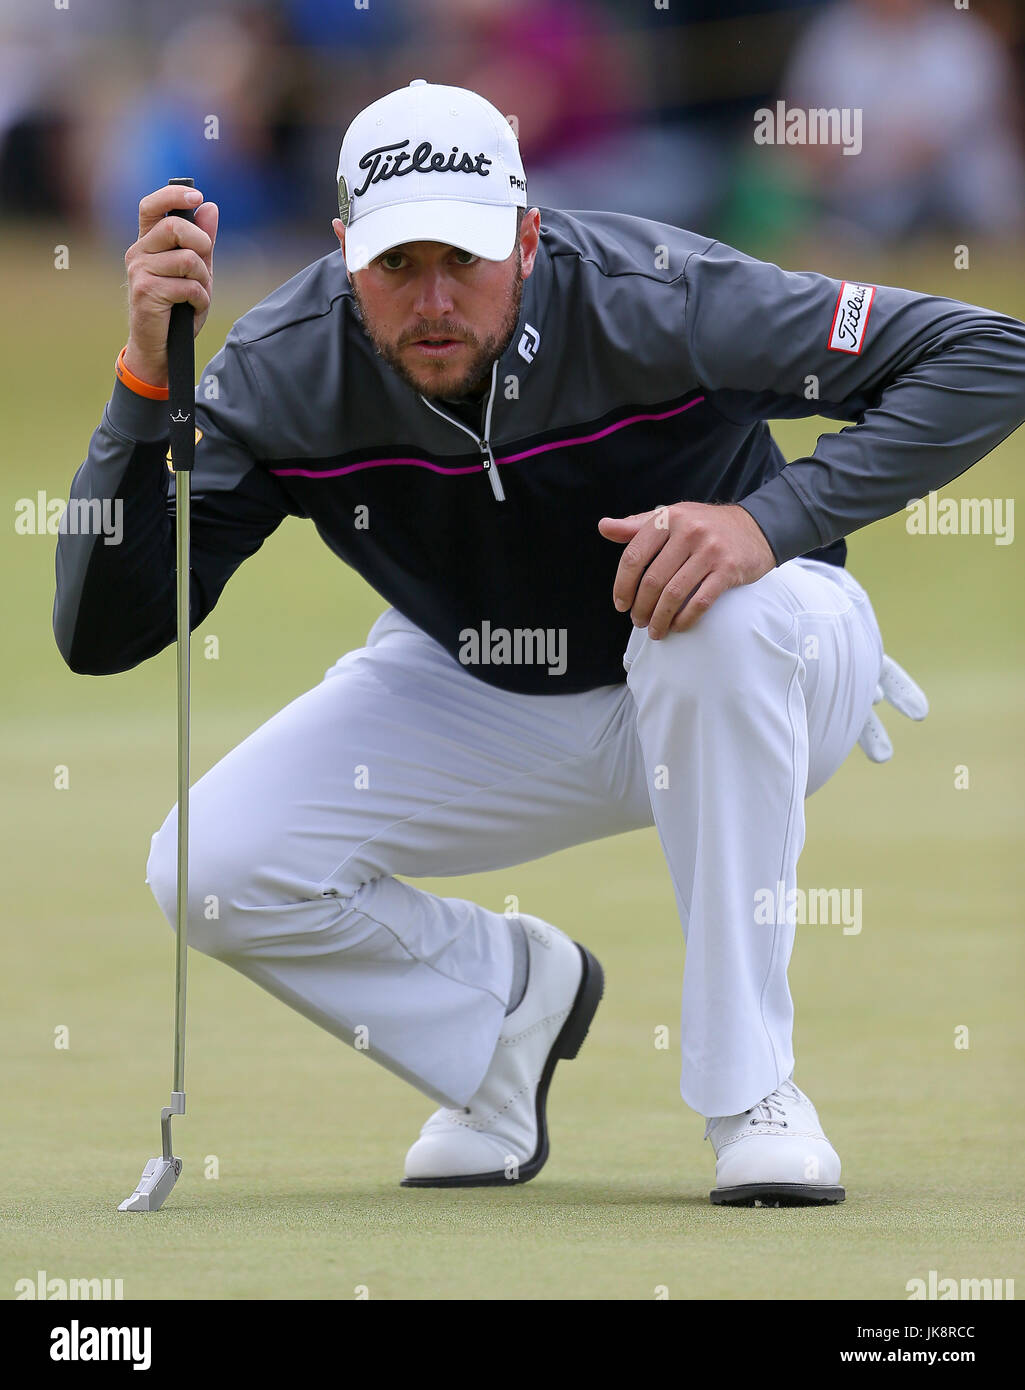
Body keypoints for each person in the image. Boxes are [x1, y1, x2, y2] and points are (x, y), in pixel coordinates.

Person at [53, 81, 1025, 1205]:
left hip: (762, 663)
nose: (431, 300)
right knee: (207, 868)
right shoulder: (284, 368)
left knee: (718, 623)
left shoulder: (660, 298)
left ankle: (752, 1097)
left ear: (526, 236)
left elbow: (984, 356)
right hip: (488, 682)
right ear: (340, 251)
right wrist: (140, 383)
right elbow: (105, 630)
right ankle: (503, 1011)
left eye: (462, 260)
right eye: (395, 264)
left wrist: (768, 523)